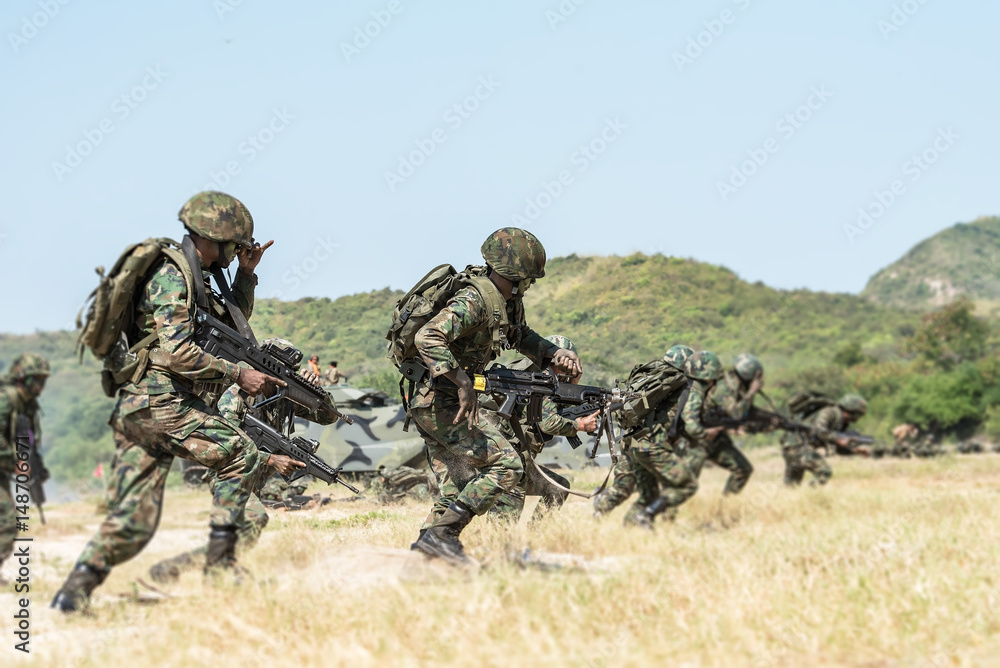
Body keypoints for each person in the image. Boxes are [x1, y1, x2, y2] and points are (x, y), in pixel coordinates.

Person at [51, 191, 287, 612]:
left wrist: (246, 277)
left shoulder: (193, 276)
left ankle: (71, 595)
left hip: (140, 409)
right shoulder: (172, 274)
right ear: (212, 237)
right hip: (160, 402)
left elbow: (229, 329)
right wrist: (239, 375)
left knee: (134, 521)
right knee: (240, 453)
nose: (236, 253)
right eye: (234, 246)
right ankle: (220, 568)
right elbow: (177, 353)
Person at [408, 228, 582, 564]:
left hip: (438, 403)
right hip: (442, 401)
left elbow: (522, 336)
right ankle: (442, 537)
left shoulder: (507, 304)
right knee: (506, 466)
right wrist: (462, 382)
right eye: (529, 278)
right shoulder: (474, 301)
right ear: (515, 277)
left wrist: (552, 353)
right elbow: (428, 337)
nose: (530, 285)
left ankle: (424, 548)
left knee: (459, 482)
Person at [147, 338, 328, 584]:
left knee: (235, 534)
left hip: (253, 477)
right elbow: (226, 447)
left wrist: (318, 391)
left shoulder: (285, 397)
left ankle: (179, 568)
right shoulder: (235, 396)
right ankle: (214, 572)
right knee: (254, 519)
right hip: (229, 473)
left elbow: (328, 416)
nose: (285, 374)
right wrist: (272, 460)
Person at [482, 335, 598, 521]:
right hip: (511, 462)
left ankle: (533, 534)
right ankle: (496, 544)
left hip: (514, 459)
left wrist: (574, 386)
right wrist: (580, 425)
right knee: (505, 517)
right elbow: (549, 422)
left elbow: (555, 412)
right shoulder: (542, 382)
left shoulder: (537, 378)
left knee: (557, 488)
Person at [592, 344, 693, 521]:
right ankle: (654, 522)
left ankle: (603, 512)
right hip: (651, 445)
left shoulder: (653, 377)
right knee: (675, 486)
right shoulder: (681, 386)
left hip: (632, 441)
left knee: (625, 487)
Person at [0, 354, 50, 585]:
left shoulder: (27, 404)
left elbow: (27, 440)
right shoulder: (6, 400)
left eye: (43, 380)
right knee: (8, 520)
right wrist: (14, 462)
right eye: (35, 380)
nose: (39, 386)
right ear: (21, 378)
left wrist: (37, 467)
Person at [781, 393, 871, 486]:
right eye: (859, 415)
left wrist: (855, 451)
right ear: (853, 412)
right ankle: (812, 496)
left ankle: (791, 499)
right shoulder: (830, 412)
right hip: (798, 447)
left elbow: (837, 448)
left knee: (792, 486)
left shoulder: (839, 421)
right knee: (824, 471)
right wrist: (837, 439)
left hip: (792, 447)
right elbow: (818, 430)